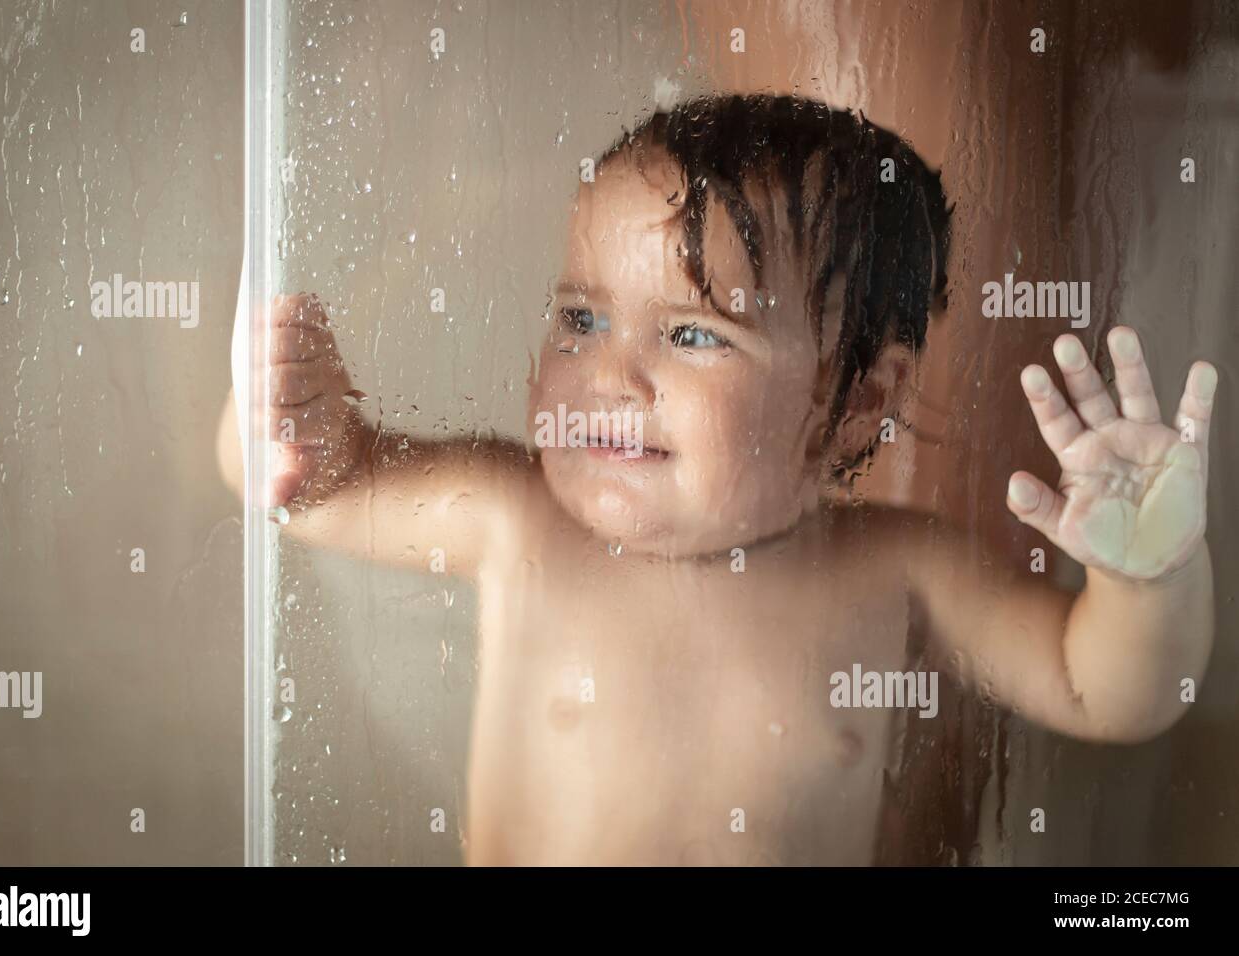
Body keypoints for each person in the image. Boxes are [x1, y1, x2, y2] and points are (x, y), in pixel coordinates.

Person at [218, 94, 1217, 865]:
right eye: (580, 319)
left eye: (691, 332)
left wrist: (1146, 576)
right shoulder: (511, 515)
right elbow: (320, 490)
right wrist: (280, 416)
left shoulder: (902, 565)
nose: (609, 373)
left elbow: (1107, 692)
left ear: (860, 400)